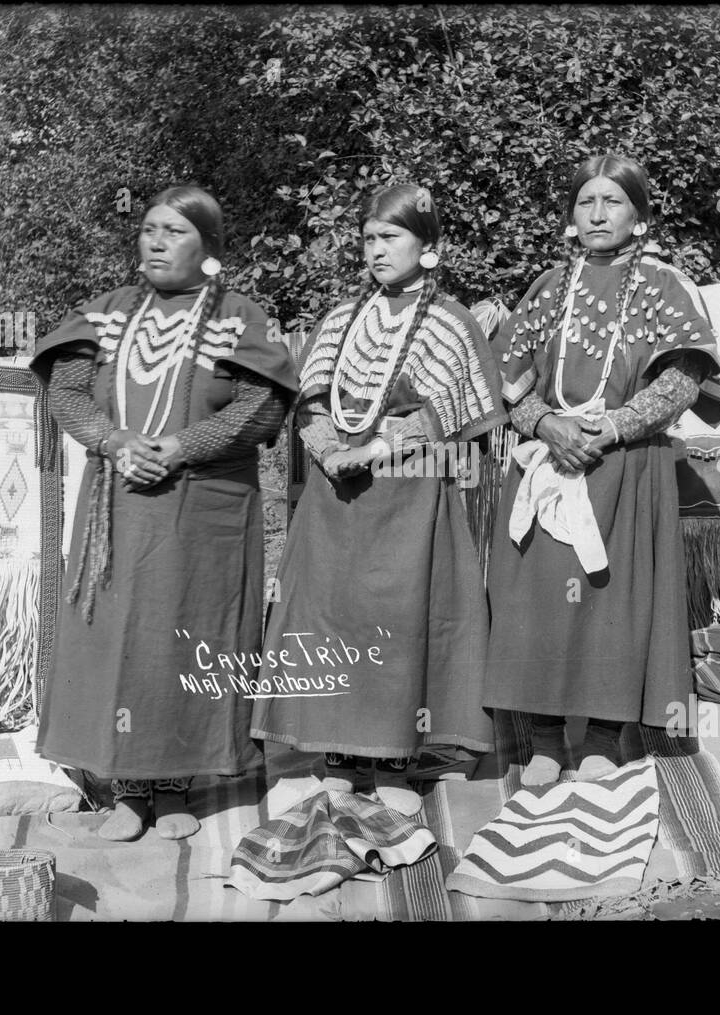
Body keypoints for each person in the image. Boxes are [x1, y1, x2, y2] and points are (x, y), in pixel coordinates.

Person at [30, 185, 298, 840]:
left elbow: (260, 405)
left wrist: (182, 445)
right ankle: (127, 787)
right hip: (120, 502)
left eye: (174, 231)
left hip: (204, 509)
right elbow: (66, 391)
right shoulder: (110, 313)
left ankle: (180, 783)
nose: (153, 240)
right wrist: (114, 441)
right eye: (148, 228)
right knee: (122, 636)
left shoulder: (240, 317)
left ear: (208, 250)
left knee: (187, 635)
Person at [251, 183, 506, 816]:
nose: (375, 249)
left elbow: (455, 410)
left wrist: (376, 450)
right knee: (330, 613)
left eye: (390, 237)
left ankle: (396, 756)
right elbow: (311, 399)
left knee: (398, 620)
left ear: (428, 249)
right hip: (337, 499)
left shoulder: (451, 322)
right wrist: (324, 446)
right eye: (368, 238)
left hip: (410, 498)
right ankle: (336, 754)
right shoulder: (341, 319)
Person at [484, 154, 720, 787]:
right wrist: (545, 424)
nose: (597, 213)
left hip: (624, 466)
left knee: (607, 599)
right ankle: (539, 735)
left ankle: (598, 734)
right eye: (586, 201)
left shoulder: (665, 284)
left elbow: (684, 377)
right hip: (550, 462)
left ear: (639, 217)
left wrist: (612, 426)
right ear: (571, 214)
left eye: (613, 202)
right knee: (536, 598)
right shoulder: (545, 288)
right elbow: (507, 384)